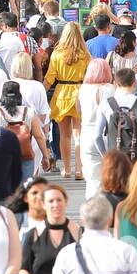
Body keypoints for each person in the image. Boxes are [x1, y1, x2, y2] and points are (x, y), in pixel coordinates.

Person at [46, 23, 92, 177]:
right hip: (80, 92)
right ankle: (79, 169)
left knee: (65, 135)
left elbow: (50, 78)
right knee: (79, 134)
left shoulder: (57, 54)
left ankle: (67, 169)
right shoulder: (85, 54)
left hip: (62, 93)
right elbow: (90, 76)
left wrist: (40, 92)